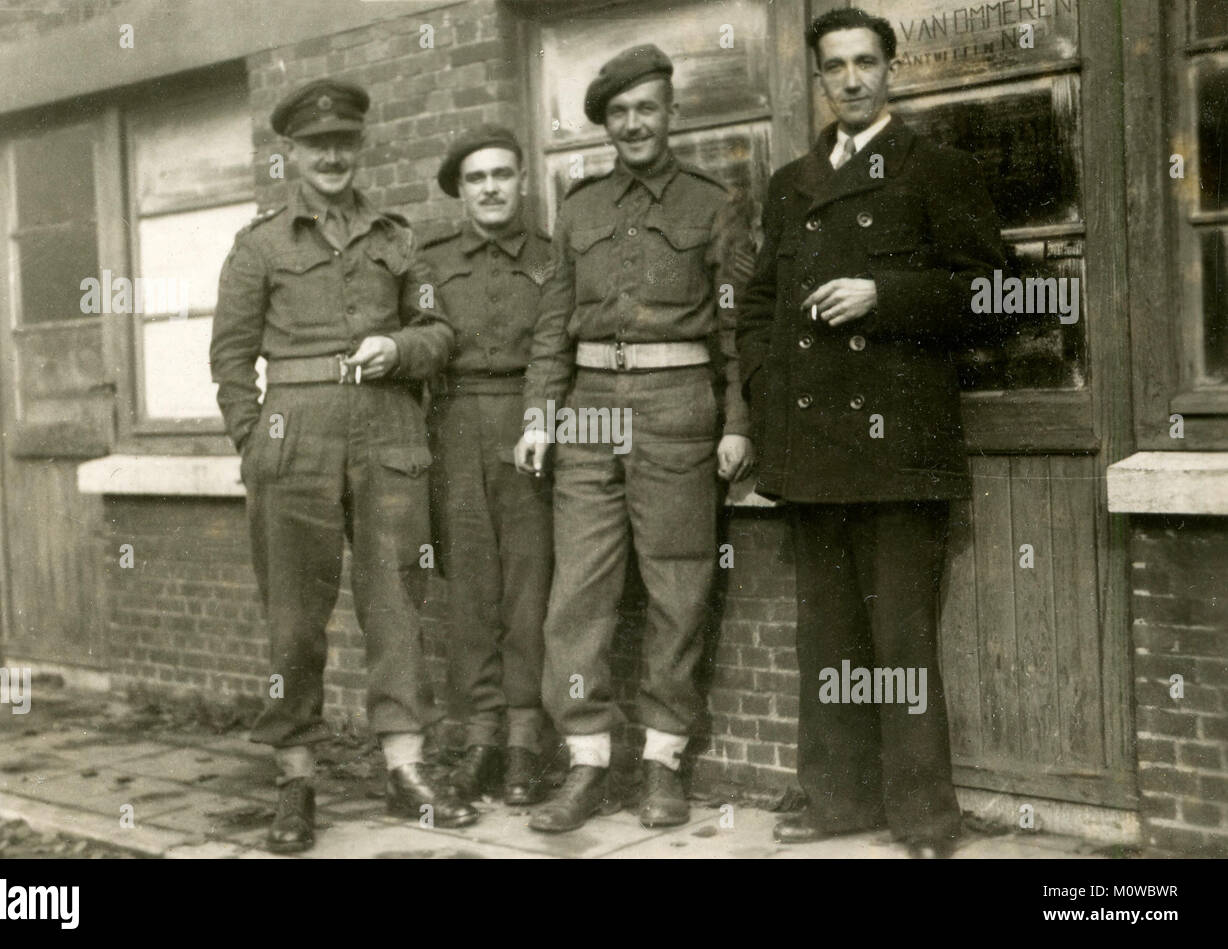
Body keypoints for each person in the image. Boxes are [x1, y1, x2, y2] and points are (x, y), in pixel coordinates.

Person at [735, 8, 1007, 858]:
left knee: (899, 640)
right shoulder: (790, 184)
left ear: (893, 69)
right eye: (834, 67)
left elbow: (995, 291)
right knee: (830, 636)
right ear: (818, 79)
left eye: (865, 63)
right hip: (813, 450)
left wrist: (884, 295)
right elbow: (757, 306)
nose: (850, 80)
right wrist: (767, 390)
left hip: (900, 450)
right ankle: (838, 801)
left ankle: (924, 818)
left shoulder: (937, 169)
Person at [210, 78, 478, 854]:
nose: (331, 156)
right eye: (315, 145)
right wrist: (254, 444)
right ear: (289, 153)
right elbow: (230, 359)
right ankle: (296, 777)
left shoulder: (398, 239)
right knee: (294, 617)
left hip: (389, 430)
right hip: (293, 439)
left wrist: (400, 348)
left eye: (344, 143)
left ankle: (407, 770)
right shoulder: (258, 245)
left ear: (360, 149)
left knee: (396, 605)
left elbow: (440, 333)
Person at [515, 45, 755, 834]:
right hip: (587, 405)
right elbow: (553, 324)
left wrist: (737, 420)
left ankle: (661, 761)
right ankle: (585, 764)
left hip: (677, 403)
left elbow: (736, 325)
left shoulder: (713, 202)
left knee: (677, 587)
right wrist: (538, 415)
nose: (633, 123)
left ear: (670, 112)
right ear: (606, 125)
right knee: (577, 590)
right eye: (619, 113)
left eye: (646, 107)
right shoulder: (579, 208)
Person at [423, 126, 554, 805]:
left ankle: (527, 742)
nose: (492, 187)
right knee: (471, 590)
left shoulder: (554, 259)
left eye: (503, 173)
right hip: (455, 425)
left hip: (533, 425)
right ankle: (480, 739)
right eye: (477, 178)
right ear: (461, 192)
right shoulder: (430, 264)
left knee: (528, 589)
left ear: (523, 180)